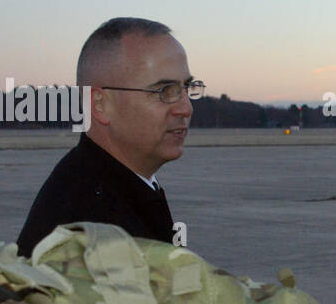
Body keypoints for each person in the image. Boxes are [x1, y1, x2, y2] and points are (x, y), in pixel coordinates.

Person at [17, 17, 200, 256]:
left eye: (186, 88)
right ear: (100, 104)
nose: (185, 109)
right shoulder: (92, 232)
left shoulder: (115, 185)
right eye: (164, 91)